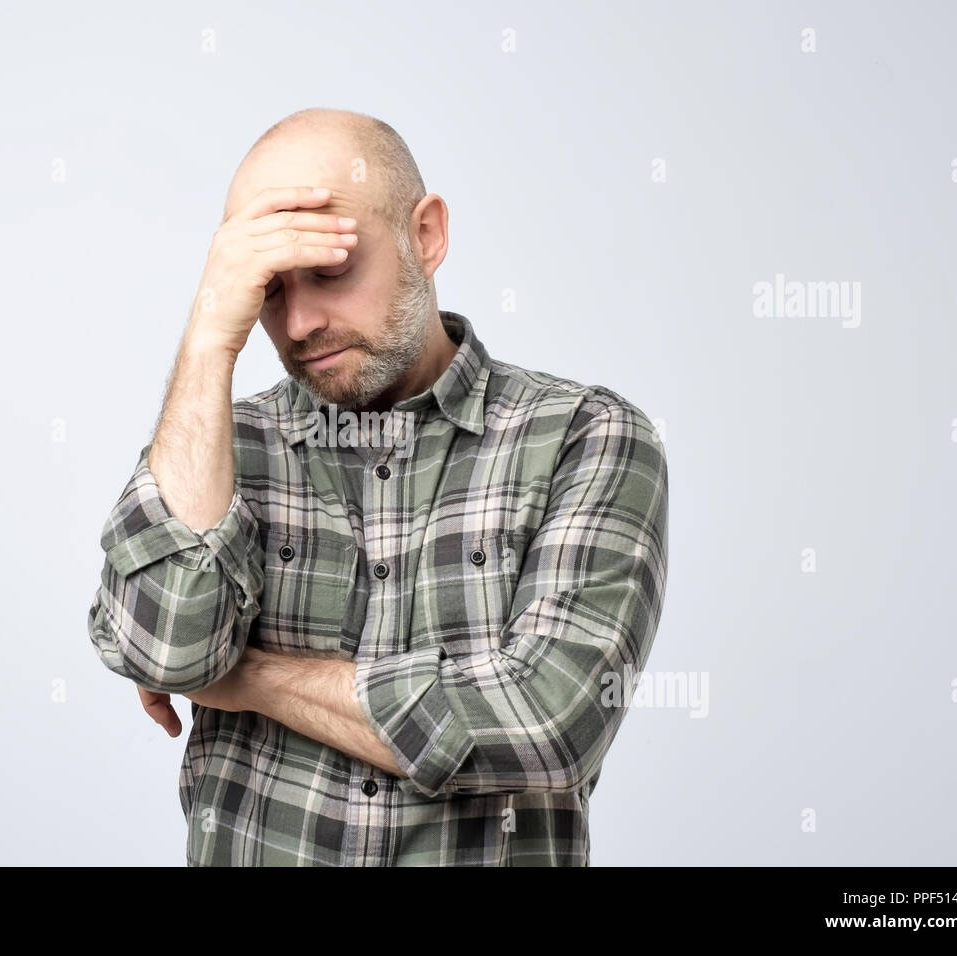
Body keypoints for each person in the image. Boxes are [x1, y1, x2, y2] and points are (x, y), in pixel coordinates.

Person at [86, 107, 669, 866]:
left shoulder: (584, 437)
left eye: (329, 274)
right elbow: (166, 651)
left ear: (425, 236)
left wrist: (246, 675)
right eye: (267, 292)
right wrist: (207, 341)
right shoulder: (215, 447)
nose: (297, 325)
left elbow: (547, 725)